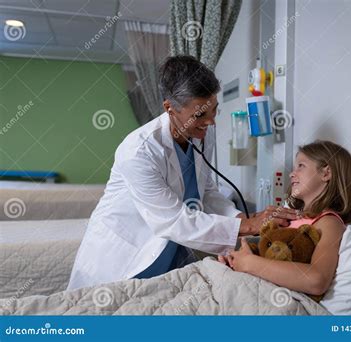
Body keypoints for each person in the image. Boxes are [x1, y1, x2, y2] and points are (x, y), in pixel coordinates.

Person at [67, 55, 298, 290]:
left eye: (214, 111)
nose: (211, 123)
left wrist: (242, 219)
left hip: (170, 249)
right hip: (125, 256)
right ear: (169, 108)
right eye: (199, 115)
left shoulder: (200, 133)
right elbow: (174, 220)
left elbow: (205, 191)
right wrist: (249, 226)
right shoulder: (139, 150)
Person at [218, 140, 351, 297]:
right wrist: (236, 260)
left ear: (326, 173)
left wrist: (250, 264)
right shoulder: (291, 216)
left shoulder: (329, 223)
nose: (292, 173)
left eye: (301, 166)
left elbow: (317, 280)